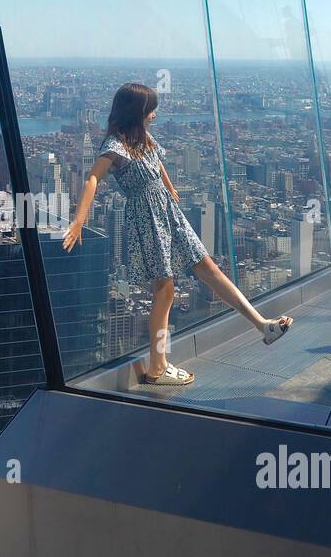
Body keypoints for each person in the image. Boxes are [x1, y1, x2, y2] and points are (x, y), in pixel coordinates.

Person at [63, 82, 292, 386]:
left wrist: (169, 186)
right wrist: (79, 220)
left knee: (210, 270)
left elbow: (157, 163)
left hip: (168, 212)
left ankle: (263, 326)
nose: (154, 114)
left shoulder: (141, 137)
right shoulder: (114, 146)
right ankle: (157, 367)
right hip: (147, 218)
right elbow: (93, 178)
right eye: (150, 109)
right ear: (136, 111)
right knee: (165, 289)